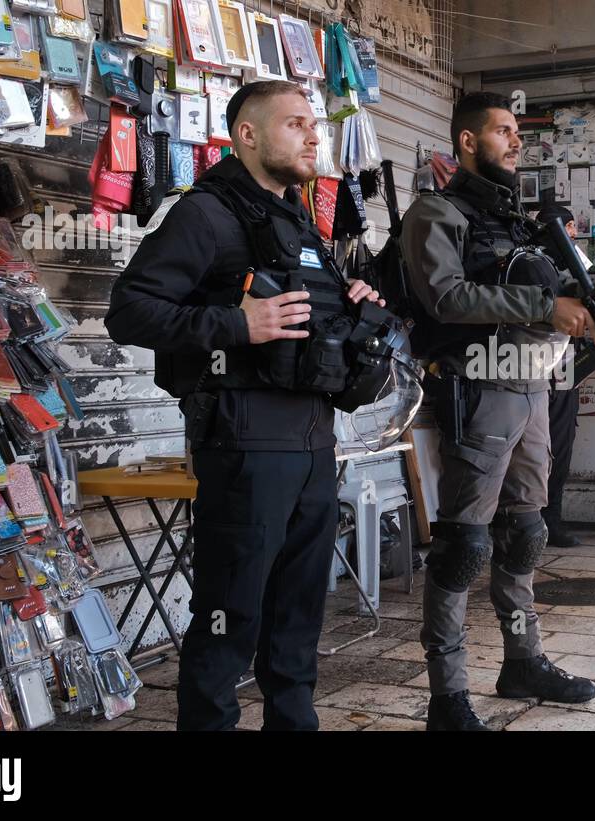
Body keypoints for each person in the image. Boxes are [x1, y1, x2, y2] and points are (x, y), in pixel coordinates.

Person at [104, 81, 383, 730]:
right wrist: (236, 324)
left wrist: (353, 306)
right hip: (245, 448)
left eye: (315, 124)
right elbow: (129, 310)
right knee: (228, 623)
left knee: (297, 624)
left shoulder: (294, 220)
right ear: (248, 135)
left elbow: (307, 320)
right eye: (296, 124)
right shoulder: (207, 214)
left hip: (315, 447)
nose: (314, 135)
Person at [400, 92, 595, 730]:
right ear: (468, 141)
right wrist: (543, 307)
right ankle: (446, 697)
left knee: (526, 530)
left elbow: (552, 283)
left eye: (516, 131)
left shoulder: (517, 220)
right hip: (477, 389)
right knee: (463, 544)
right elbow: (446, 298)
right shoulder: (435, 212)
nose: (515, 141)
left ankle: (521, 659)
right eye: (502, 131)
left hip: (533, 387)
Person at [534, 204, 583, 548]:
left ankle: (549, 519)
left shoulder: (572, 260)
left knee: (557, 441)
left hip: (558, 360)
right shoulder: (534, 259)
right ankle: (538, 520)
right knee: (545, 443)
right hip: (537, 360)